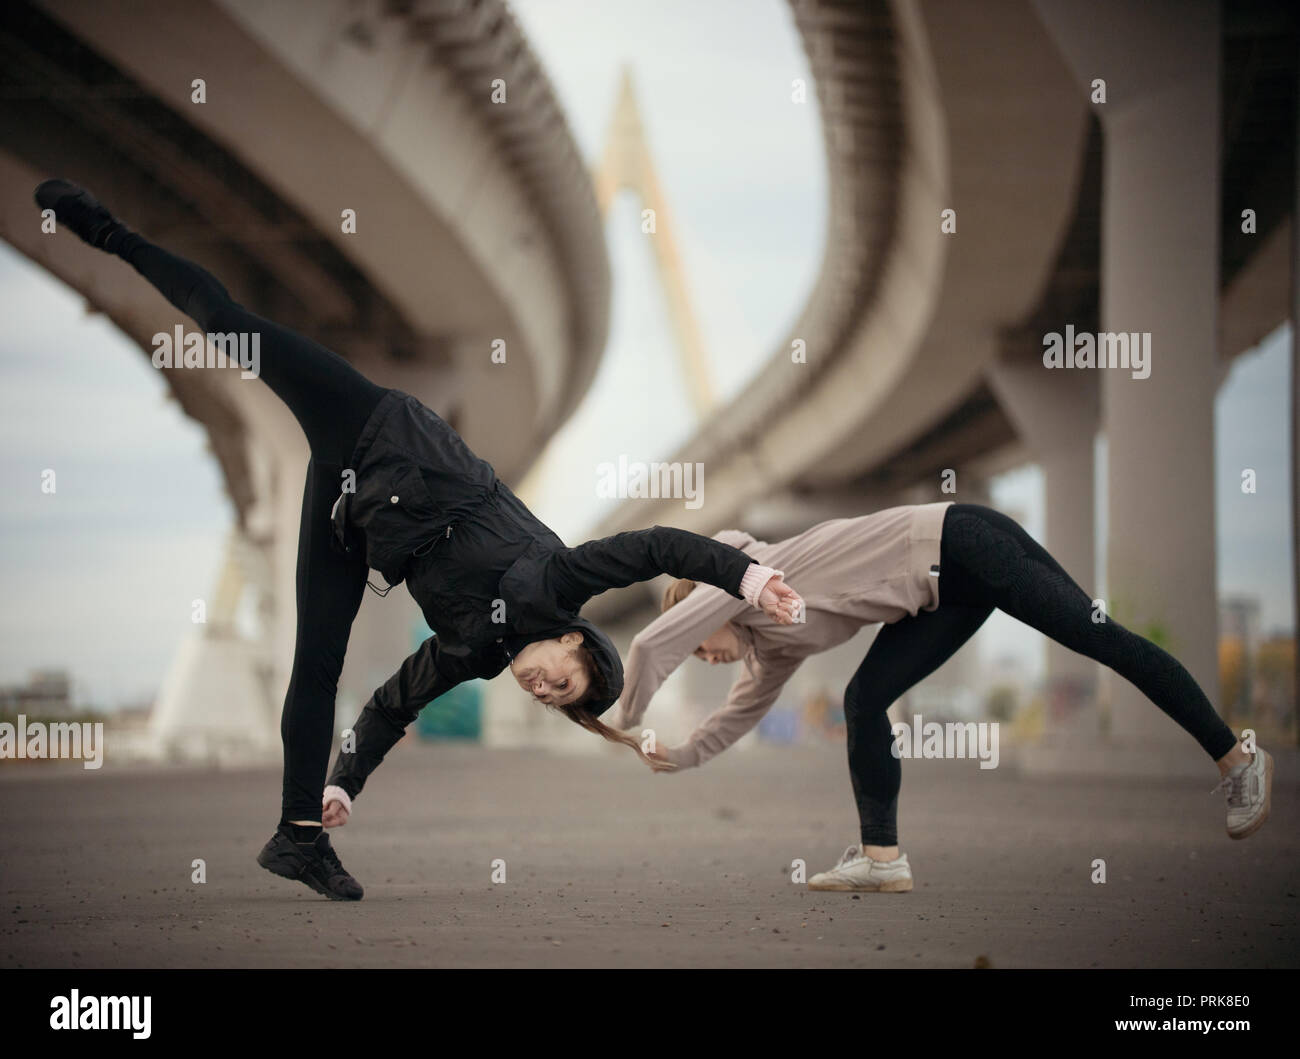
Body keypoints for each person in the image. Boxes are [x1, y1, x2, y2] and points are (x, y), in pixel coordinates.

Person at [35, 179, 803, 901]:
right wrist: (748, 579)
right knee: (231, 327)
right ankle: (106, 230)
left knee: (317, 666)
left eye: (551, 701)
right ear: (573, 639)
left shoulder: (476, 652)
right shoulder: (561, 579)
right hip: (379, 430)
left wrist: (343, 782)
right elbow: (661, 545)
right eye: (562, 682)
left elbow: (389, 706)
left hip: (355, 518)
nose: (542, 690)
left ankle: (299, 834)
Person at [608, 501, 1273, 893]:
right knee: (865, 699)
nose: (707, 655)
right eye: (699, 654)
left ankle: (1236, 759)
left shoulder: (729, 570)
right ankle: (881, 859)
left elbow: (648, 646)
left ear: (707, 607)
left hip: (963, 539)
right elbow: (740, 712)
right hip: (941, 591)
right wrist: (685, 753)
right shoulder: (772, 646)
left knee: (1101, 640)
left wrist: (622, 721)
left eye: (703, 643)